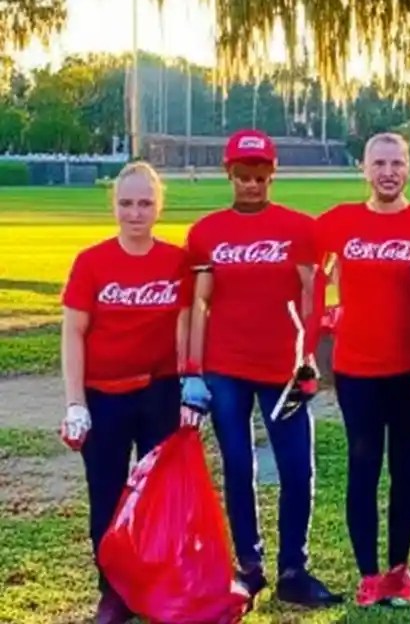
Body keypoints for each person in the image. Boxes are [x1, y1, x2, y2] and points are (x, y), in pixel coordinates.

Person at [179, 130, 341, 608]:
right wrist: (192, 369)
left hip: (284, 369)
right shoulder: (206, 233)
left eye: (260, 175)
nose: (251, 184)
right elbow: (199, 303)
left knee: (297, 467)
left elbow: (313, 294)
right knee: (237, 464)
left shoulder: (298, 228)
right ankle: (249, 568)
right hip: (225, 367)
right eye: (242, 175)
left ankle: (293, 569)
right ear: (228, 173)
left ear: (273, 174)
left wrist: (308, 357)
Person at [59, 162, 187, 624]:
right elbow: (73, 333)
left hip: (159, 392)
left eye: (145, 203)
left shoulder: (177, 261)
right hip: (104, 395)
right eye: (126, 203)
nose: (135, 213)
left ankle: (156, 584)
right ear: (114, 205)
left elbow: (188, 326)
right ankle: (113, 592)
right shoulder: (92, 262)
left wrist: (191, 381)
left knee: (158, 495)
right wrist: (75, 402)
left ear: (159, 207)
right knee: (108, 495)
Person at [314, 132, 410, 607]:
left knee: (407, 468)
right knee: (364, 465)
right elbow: (302, 264)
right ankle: (368, 574)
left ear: (409, 168)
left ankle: (398, 570)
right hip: (357, 369)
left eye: (397, 163)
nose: (388, 172)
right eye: (380, 164)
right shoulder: (340, 221)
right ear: (364, 169)